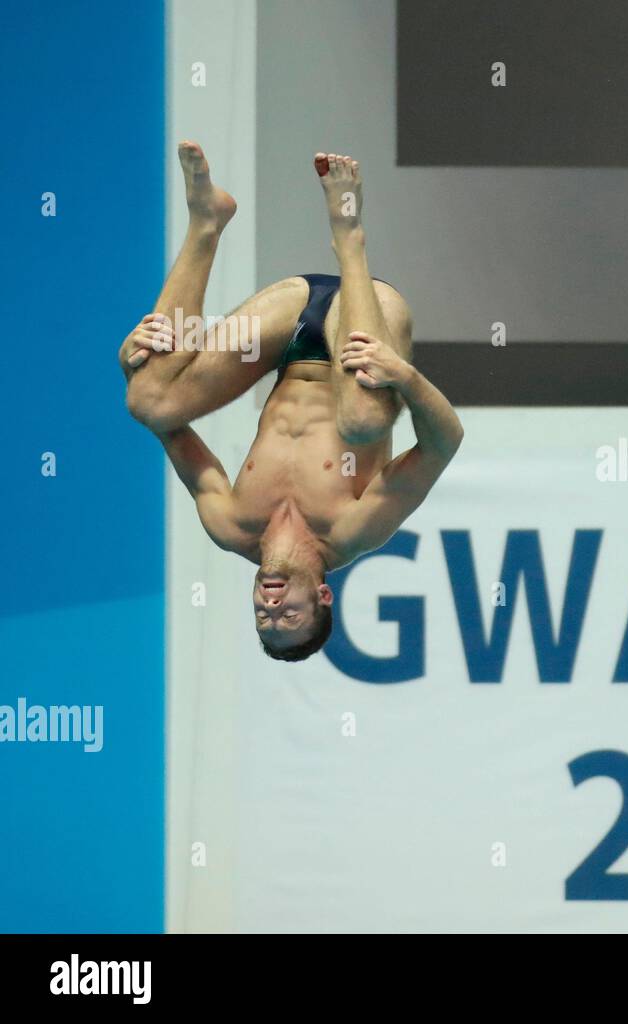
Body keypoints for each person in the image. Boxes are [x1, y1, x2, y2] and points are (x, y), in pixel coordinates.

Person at [120, 142, 463, 661]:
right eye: (290, 614)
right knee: (366, 419)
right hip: (362, 321)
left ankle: (206, 222)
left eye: (264, 616)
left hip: (291, 326)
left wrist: (133, 366)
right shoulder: (355, 528)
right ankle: (349, 236)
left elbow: (164, 424)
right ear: (323, 595)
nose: (271, 605)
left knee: (150, 400)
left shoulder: (230, 524)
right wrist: (405, 376)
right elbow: (443, 443)